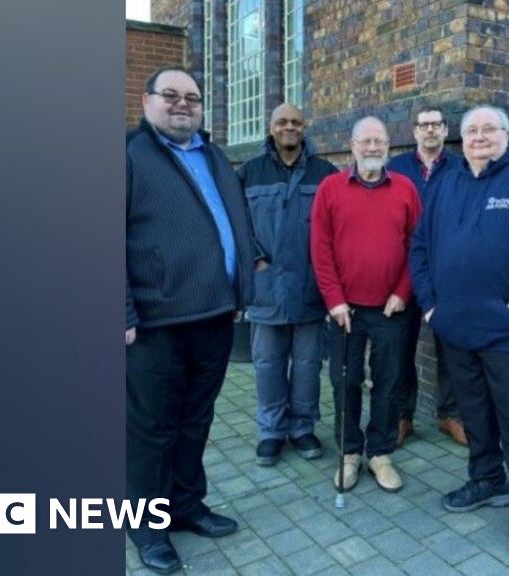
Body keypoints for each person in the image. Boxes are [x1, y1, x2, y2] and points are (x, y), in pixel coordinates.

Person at [410, 105, 509, 556]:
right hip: (456, 331)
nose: (479, 136)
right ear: (460, 139)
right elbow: (420, 246)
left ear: (507, 135)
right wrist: (430, 308)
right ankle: (486, 480)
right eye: (471, 130)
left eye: (489, 129)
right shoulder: (446, 182)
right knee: (476, 416)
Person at [125, 65, 253, 574]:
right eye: (171, 96)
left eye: (192, 98)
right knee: (150, 429)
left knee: (196, 419)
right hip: (156, 323)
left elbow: (234, 221)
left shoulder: (213, 154)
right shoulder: (130, 155)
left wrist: (244, 283)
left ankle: (184, 504)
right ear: (147, 101)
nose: (183, 105)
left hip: (215, 315)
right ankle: (145, 525)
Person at [310, 117, 422, 493]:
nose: (372, 148)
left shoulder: (405, 189)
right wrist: (334, 300)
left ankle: (380, 452)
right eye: (365, 141)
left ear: (389, 146)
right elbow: (320, 249)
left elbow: (416, 246)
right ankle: (350, 452)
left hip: (391, 308)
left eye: (379, 142)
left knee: (389, 382)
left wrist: (402, 292)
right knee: (345, 381)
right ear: (352, 145)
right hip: (346, 311)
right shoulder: (330, 188)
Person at [238, 103, 338, 466]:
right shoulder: (250, 171)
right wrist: (254, 260)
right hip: (266, 288)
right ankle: (271, 431)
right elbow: (237, 225)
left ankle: (302, 427)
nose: (289, 127)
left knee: (309, 364)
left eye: (296, 122)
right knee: (267, 364)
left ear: (304, 126)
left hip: (311, 288)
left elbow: (337, 227)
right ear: (271, 126)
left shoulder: (326, 172)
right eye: (282, 122)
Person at [386, 106, 466, 447]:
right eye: (424, 125)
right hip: (405, 269)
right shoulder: (397, 167)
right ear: (414, 131)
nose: (430, 130)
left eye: (436, 124)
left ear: (445, 130)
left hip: (448, 272)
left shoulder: (462, 166)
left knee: (450, 344)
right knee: (401, 345)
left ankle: (450, 414)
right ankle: (404, 416)